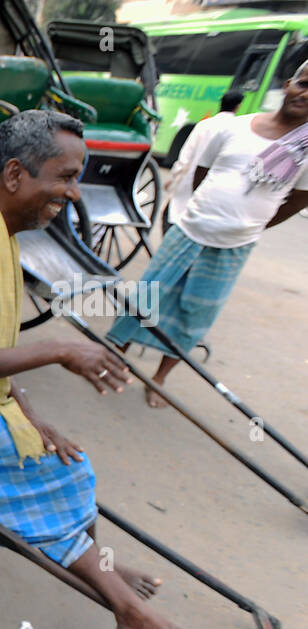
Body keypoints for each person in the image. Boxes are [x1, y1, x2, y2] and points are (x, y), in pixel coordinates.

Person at [0, 110, 236, 629]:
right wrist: (61, 348)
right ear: (15, 175)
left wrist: (29, 413)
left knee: (65, 461)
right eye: (64, 177)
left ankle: (101, 569)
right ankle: (132, 615)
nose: (72, 192)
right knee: (51, 475)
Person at [108, 62, 308, 405]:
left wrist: (250, 225)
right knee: (146, 298)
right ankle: (113, 359)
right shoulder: (234, 128)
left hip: (235, 245)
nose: (305, 95)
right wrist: (206, 212)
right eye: (304, 83)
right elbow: (202, 173)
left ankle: (158, 378)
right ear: (289, 84)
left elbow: (297, 200)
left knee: (196, 313)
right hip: (190, 229)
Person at [162, 88, 246, 232]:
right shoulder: (238, 128)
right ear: (238, 106)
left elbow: (185, 157)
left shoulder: (205, 125)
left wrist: (174, 177)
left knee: (175, 215)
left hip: (190, 180)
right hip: (214, 187)